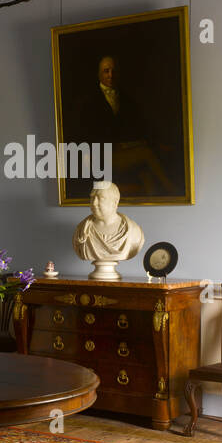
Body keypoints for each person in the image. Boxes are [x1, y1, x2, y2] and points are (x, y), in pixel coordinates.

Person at [74, 53, 171, 198]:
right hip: (101, 155)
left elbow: (139, 126)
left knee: (145, 170)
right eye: (106, 71)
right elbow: (86, 135)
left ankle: (155, 199)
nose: (110, 75)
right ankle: (170, 188)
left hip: (124, 151)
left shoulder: (126, 99)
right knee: (146, 154)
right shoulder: (89, 102)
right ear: (99, 74)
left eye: (113, 71)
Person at [72, 181, 143, 280]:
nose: (94, 203)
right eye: (92, 198)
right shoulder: (82, 229)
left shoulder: (133, 231)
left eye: (101, 198)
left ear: (115, 202)